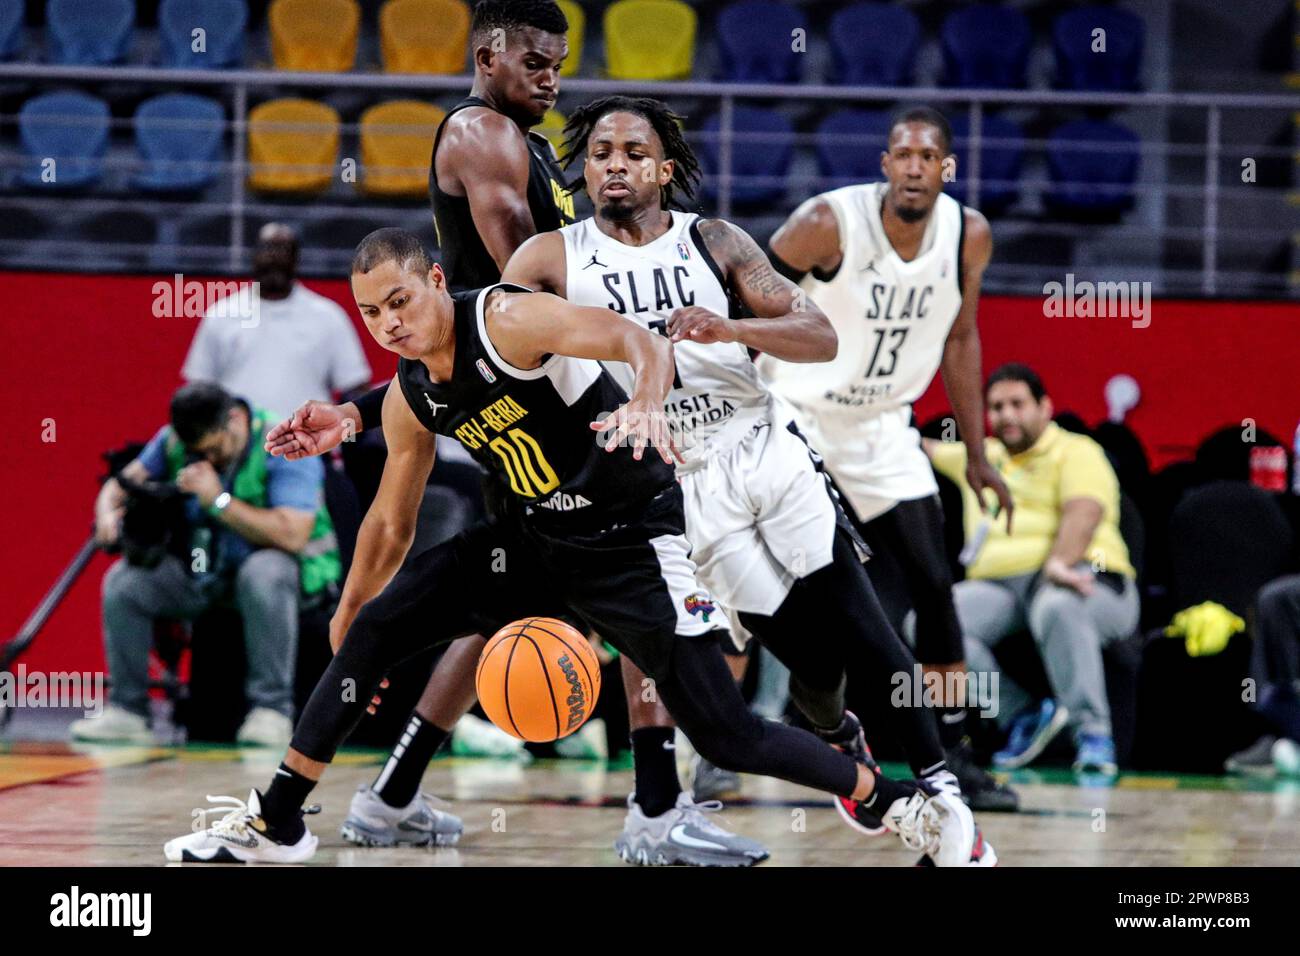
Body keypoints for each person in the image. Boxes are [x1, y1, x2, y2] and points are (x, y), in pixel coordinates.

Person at [162, 229, 980, 867]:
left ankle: (885, 796)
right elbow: (388, 524)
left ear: (438, 282)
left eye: (401, 301)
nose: (390, 325)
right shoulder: (412, 393)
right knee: (377, 628)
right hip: (530, 541)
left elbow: (639, 341)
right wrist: (349, 614)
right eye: (372, 313)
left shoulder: (509, 319)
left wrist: (650, 405)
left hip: (633, 541)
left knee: (728, 733)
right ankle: (277, 820)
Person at [294, 0, 763, 864]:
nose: (551, 79)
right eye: (534, 63)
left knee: (511, 596)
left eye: (559, 63)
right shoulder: (483, 136)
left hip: (514, 397)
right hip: (533, 394)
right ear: (487, 55)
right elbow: (537, 288)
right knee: (640, 562)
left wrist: (362, 408)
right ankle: (656, 809)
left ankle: (394, 794)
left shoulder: (533, 145)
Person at [758, 105, 1019, 812]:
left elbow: (962, 340)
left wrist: (977, 453)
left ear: (946, 167)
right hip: (799, 417)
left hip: (880, 426)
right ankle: (787, 736)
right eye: (901, 154)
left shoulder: (969, 234)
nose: (913, 166)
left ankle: (956, 751)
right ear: (884, 164)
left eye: (927, 156)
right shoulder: (827, 222)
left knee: (935, 586)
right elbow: (745, 301)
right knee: (804, 586)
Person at [72, 383, 340, 747]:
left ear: (235, 420)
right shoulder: (174, 440)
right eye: (199, 453)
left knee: (264, 572)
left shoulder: (285, 443)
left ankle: (271, 711)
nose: (208, 459)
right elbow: (118, 485)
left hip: (290, 582)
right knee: (124, 583)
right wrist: (106, 514)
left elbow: (292, 534)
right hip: (206, 574)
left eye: (214, 449)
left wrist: (218, 499)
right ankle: (129, 711)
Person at [923, 363, 1140, 775]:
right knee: (931, 622)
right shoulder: (979, 456)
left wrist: (1059, 561)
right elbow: (915, 447)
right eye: (996, 406)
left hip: (1087, 578)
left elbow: (1084, 510)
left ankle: (1093, 737)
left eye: (1017, 404)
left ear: (1045, 407)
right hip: (1000, 590)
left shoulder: (1077, 450)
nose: (1006, 414)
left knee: (1056, 607)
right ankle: (1023, 716)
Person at [182, 223, 372, 416]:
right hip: (237, 443)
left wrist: (353, 437)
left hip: (309, 441)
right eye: (268, 251)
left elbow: (355, 386)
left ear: (296, 261)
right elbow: (199, 389)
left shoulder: (328, 316)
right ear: (253, 257)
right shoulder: (221, 314)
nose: (274, 259)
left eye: (283, 253)